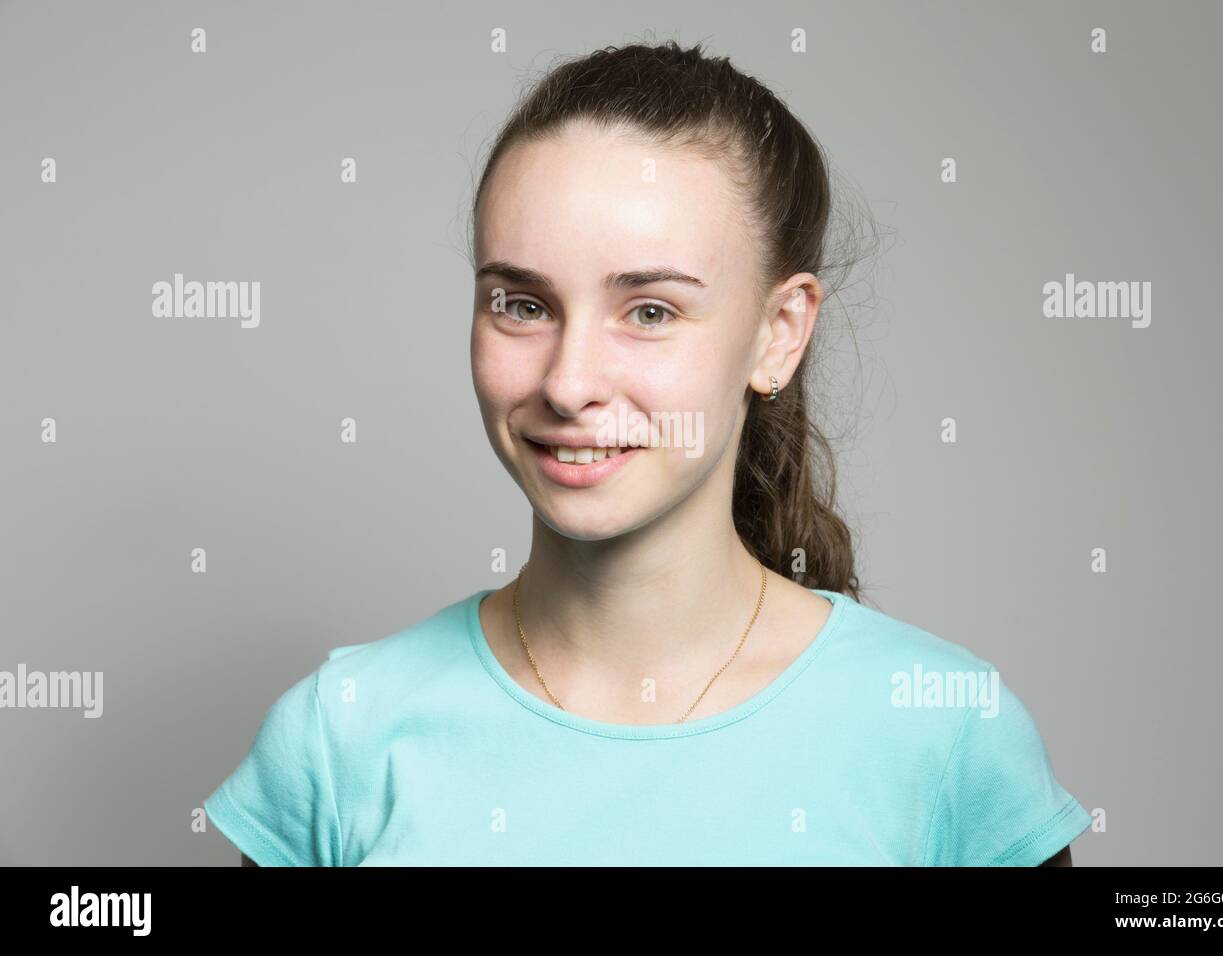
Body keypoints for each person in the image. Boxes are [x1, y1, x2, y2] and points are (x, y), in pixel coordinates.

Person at [204, 39, 1090, 866]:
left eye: (651, 311)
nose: (568, 382)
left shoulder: (945, 735)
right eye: (521, 304)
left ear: (780, 335)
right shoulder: (340, 736)